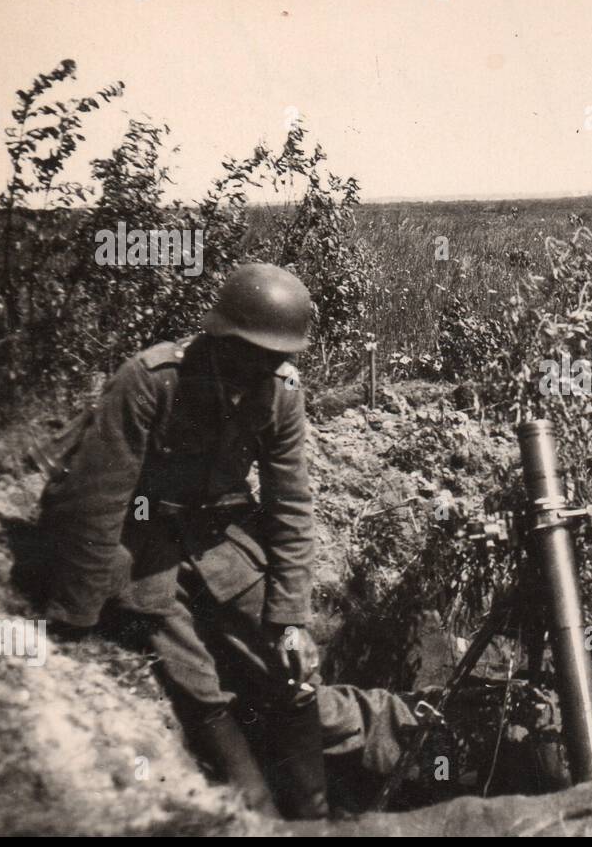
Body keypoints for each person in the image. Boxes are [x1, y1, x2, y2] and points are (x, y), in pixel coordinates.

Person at [37, 263, 415, 818]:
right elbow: (99, 502)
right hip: (140, 542)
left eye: (278, 356)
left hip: (217, 537)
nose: (267, 366)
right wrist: (74, 620)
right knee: (196, 681)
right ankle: (254, 813)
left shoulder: (281, 393)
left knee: (292, 671)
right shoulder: (152, 379)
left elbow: (290, 505)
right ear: (220, 338)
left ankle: (314, 812)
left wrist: (289, 620)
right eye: (255, 353)